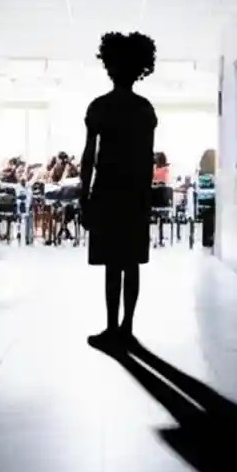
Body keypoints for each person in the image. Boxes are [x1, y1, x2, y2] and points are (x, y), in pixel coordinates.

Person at [79, 31, 158, 348]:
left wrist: (84, 195)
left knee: (112, 263)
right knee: (132, 262)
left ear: (109, 67)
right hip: (135, 193)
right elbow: (148, 159)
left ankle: (112, 327)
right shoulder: (144, 109)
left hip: (107, 192)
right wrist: (145, 195)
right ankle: (127, 327)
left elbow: (88, 156)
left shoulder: (99, 107)